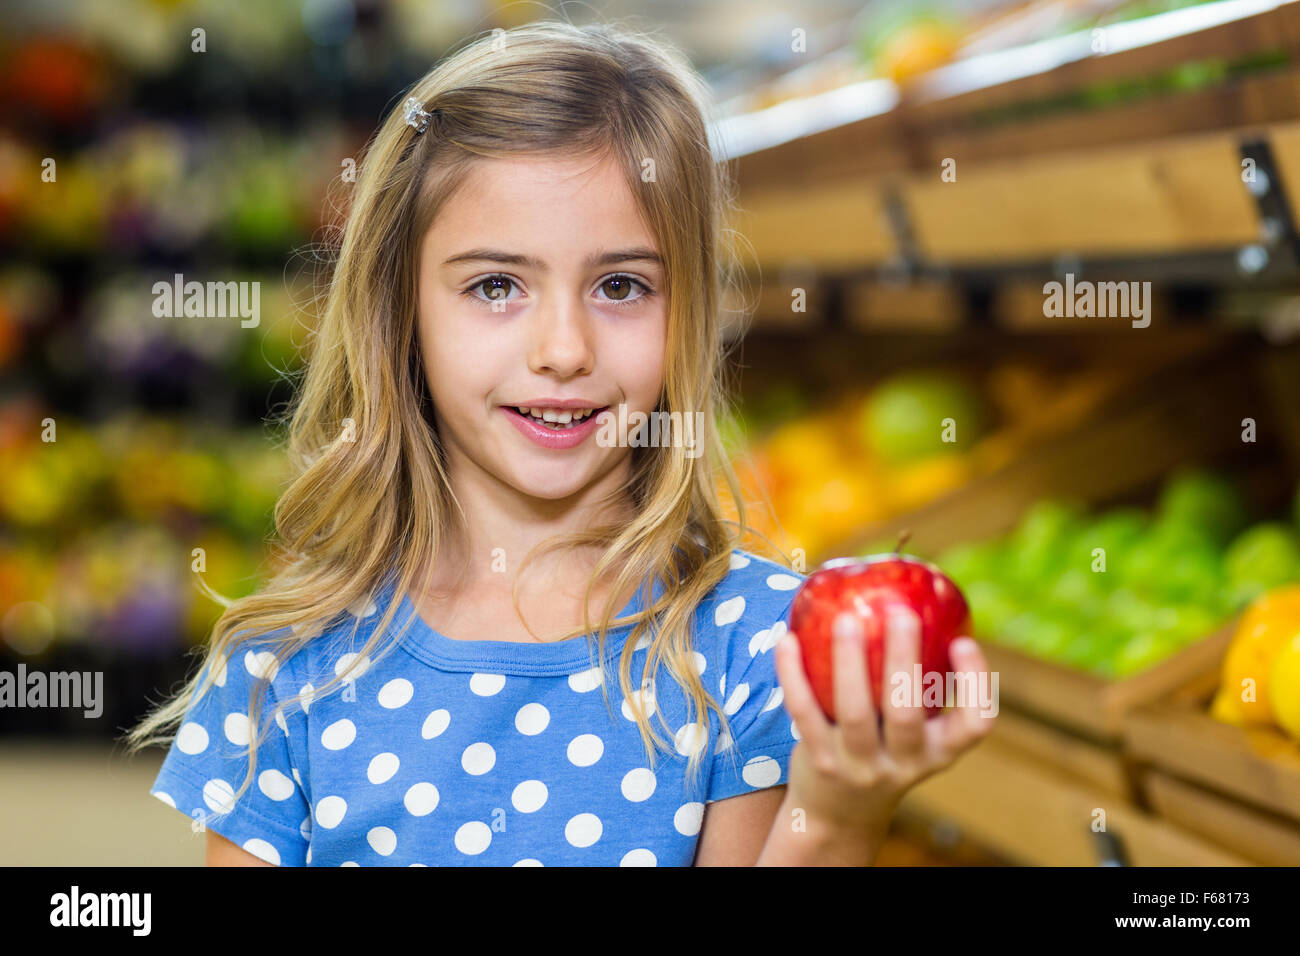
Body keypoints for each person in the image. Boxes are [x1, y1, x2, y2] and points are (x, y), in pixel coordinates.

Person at [123, 19, 994, 867]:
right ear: (399, 314)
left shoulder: (751, 645)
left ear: (687, 309)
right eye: (497, 285)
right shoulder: (287, 665)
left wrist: (835, 815)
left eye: (621, 285)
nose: (565, 350)